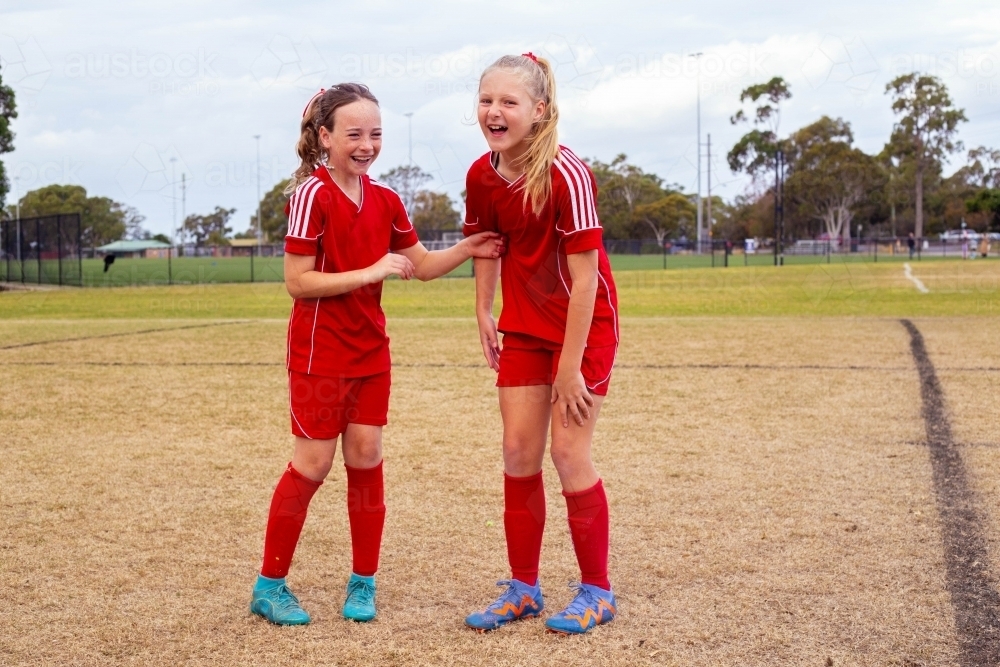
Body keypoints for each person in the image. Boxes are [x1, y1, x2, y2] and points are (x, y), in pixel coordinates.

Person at [250, 83, 504, 626]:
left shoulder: (387, 200)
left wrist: (468, 248)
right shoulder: (309, 196)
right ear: (325, 136)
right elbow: (297, 282)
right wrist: (370, 270)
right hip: (320, 356)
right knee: (313, 465)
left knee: (366, 457)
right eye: (354, 134)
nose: (366, 145)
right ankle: (269, 585)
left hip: (371, 355)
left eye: (376, 134)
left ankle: (363, 583)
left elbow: (420, 264)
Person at [461, 54, 620, 635]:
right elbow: (487, 243)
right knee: (518, 453)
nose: (494, 112)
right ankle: (524, 588)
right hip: (525, 327)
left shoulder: (567, 174)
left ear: (539, 110)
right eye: (486, 101)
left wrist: (571, 370)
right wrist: (483, 308)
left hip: (584, 325)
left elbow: (584, 283)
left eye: (508, 102)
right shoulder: (482, 174)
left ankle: (597, 591)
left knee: (569, 453)